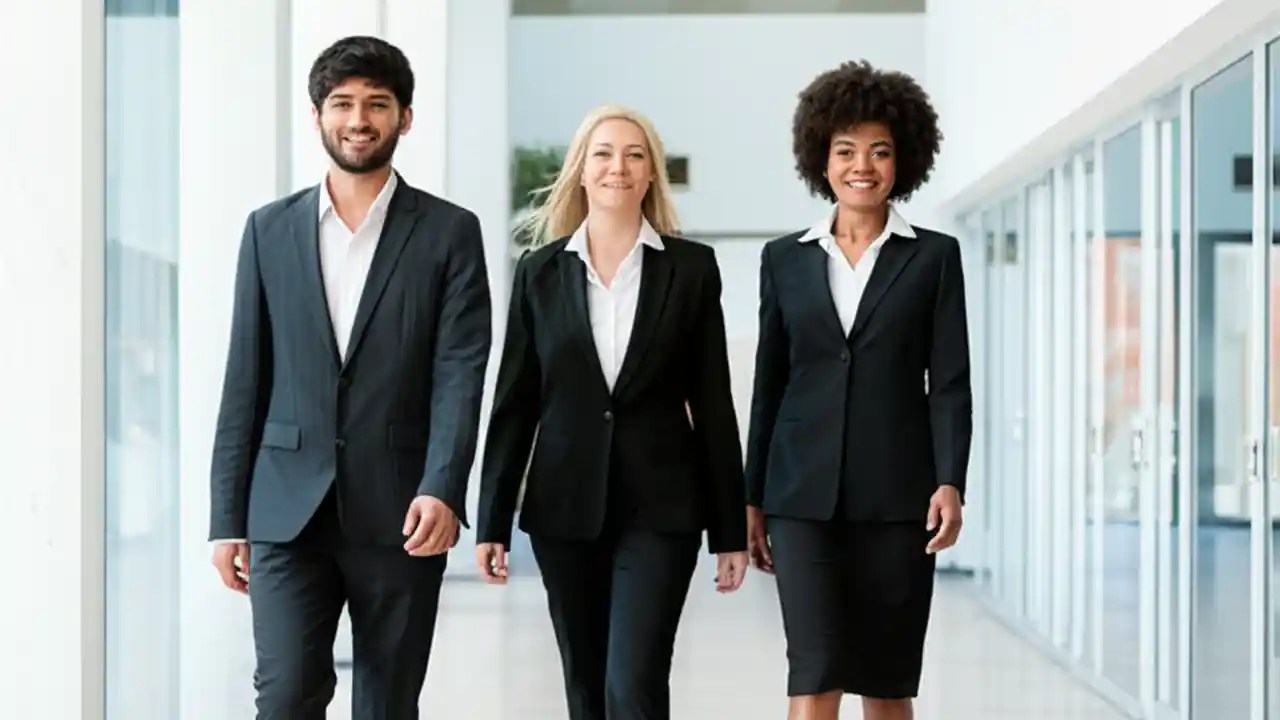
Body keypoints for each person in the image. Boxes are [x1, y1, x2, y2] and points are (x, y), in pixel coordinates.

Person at [208, 35, 491, 719]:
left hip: (402, 510)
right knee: (283, 697)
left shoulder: (449, 232)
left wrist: (443, 486)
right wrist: (226, 517)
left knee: (387, 703)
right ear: (318, 117)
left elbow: (460, 369)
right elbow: (245, 377)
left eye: (376, 104)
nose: (358, 119)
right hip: (285, 511)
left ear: (405, 117)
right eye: (342, 104)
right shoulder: (268, 231)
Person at [475, 105, 749, 720]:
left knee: (635, 684)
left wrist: (729, 529)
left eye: (633, 154)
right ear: (580, 170)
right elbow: (515, 404)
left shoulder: (691, 269)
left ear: (651, 173)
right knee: (586, 685)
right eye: (602, 153)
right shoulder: (538, 274)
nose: (617, 167)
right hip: (563, 510)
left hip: (662, 511)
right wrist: (491, 519)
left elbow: (713, 404)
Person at [744, 61, 972, 720]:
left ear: (905, 159)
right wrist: (752, 495)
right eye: (845, 151)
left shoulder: (934, 257)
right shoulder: (784, 259)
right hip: (800, 500)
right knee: (812, 672)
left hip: (900, 500)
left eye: (879, 150)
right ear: (822, 158)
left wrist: (950, 480)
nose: (861, 166)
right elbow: (770, 382)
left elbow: (949, 382)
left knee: (886, 677)